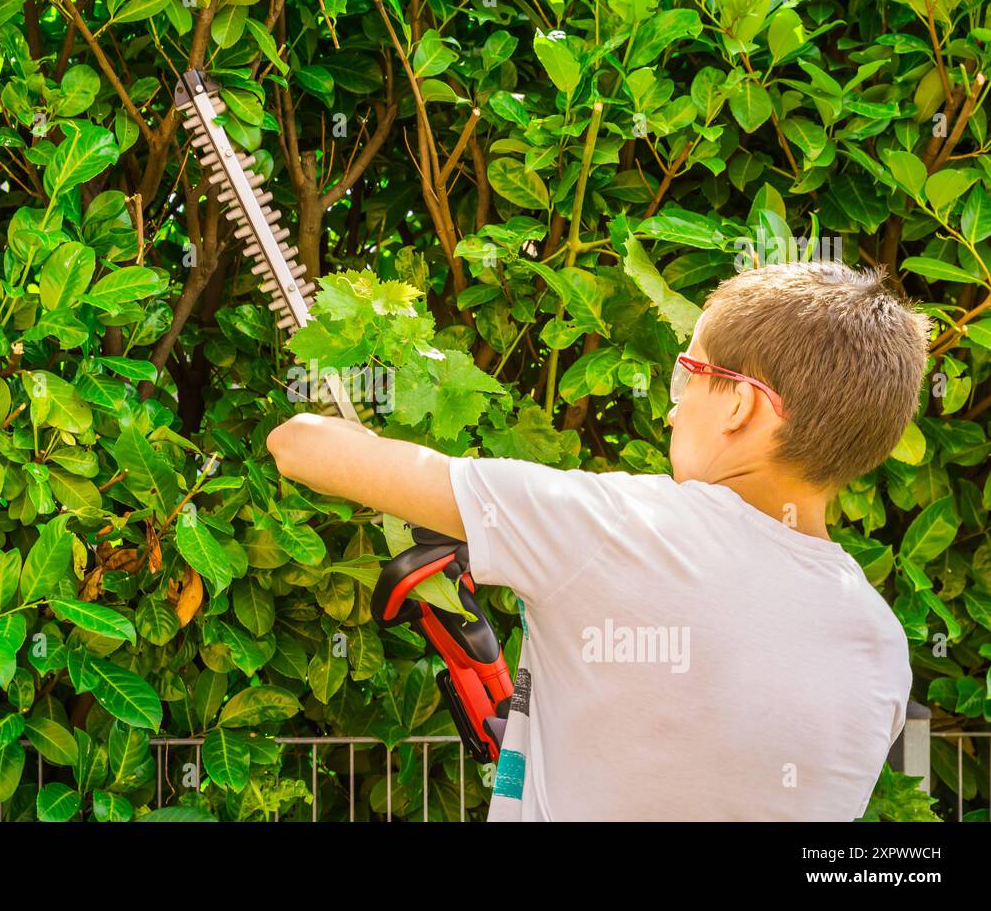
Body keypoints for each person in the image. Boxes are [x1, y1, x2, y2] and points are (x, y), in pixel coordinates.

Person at [266, 260, 928, 820]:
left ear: (740, 405)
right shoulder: (880, 648)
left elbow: (299, 445)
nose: (672, 408)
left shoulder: (626, 527)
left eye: (686, 376)